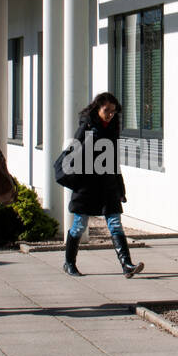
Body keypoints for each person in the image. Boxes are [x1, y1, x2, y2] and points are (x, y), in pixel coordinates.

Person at [62, 92, 143, 278]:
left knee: (115, 224)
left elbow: (113, 161)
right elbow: (73, 154)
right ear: (97, 108)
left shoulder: (113, 128)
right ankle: (69, 263)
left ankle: (126, 265)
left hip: (108, 186)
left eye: (113, 111)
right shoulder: (86, 127)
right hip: (87, 186)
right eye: (107, 110)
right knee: (79, 226)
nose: (110, 114)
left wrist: (120, 188)